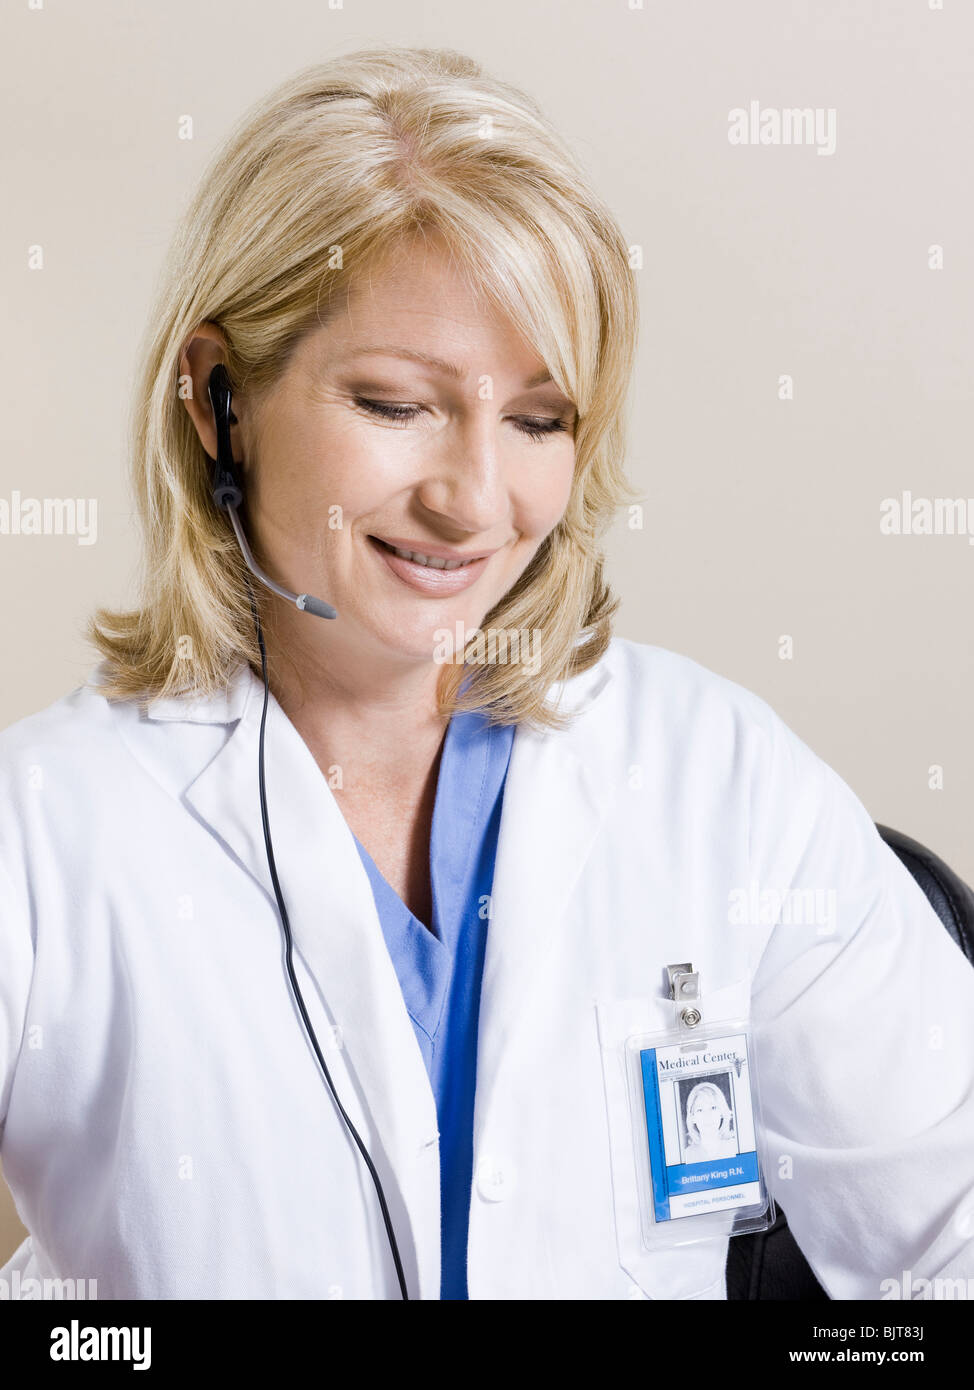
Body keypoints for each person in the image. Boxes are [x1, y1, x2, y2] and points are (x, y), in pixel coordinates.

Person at [1, 44, 973, 1302]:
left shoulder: (721, 784)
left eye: (537, 420)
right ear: (216, 396)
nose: (472, 500)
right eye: (395, 403)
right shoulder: (44, 831)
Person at [684, 1083, 739, 1163]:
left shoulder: (736, 1147)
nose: (707, 1116)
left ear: (722, 1112)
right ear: (693, 1118)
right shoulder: (686, 1156)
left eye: (713, 1108)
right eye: (700, 1110)